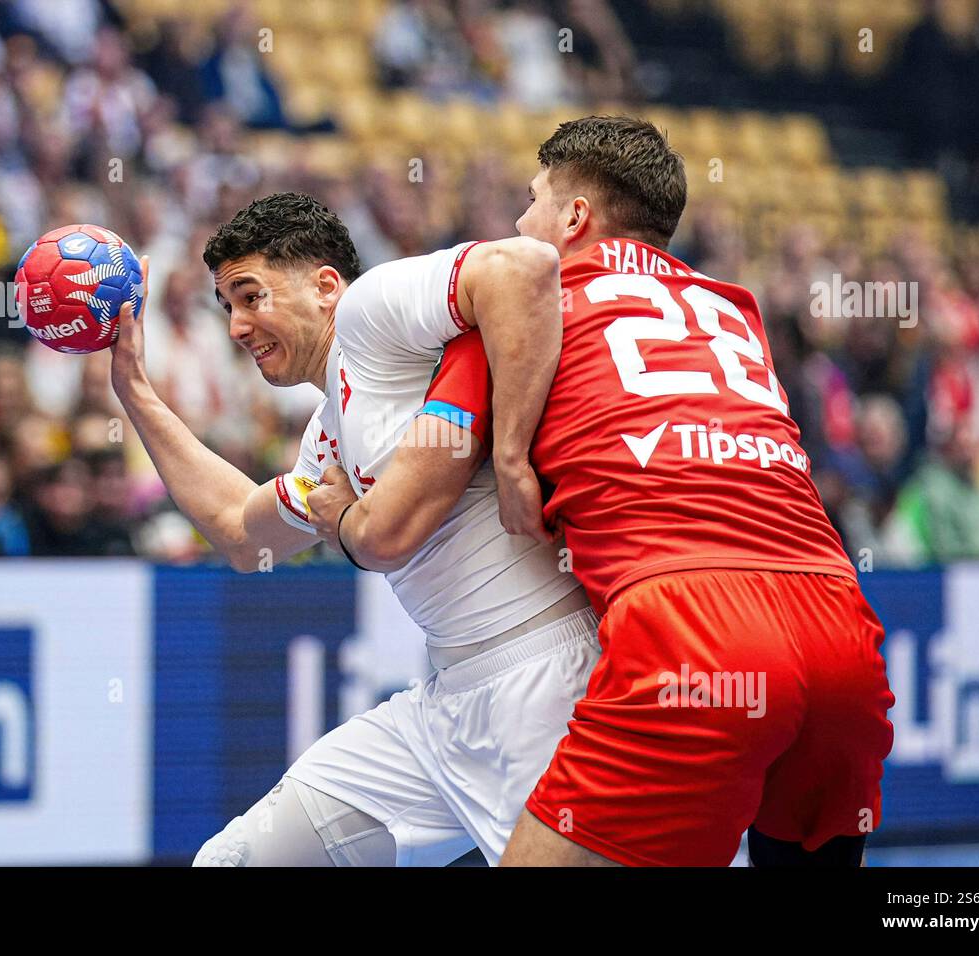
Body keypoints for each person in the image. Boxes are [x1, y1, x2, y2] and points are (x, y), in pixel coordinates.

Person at [306, 116, 895, 867]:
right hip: (839, 622)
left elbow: (396, 521)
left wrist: (343, 513)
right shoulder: (733, 311)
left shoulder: (515, 312)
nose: (517, 225)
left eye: (531, 201)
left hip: (691, 632)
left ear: (573, 216)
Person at [110, 192, 598, 866]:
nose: (237, 327)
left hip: (544, 684)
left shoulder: (370, 314)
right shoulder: (326, 437)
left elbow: (524, 265)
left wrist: (510, 455)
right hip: (445, 703)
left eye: (251, 297)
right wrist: (135, 389)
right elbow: (241, 534)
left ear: (325, 285)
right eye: (227, 307)